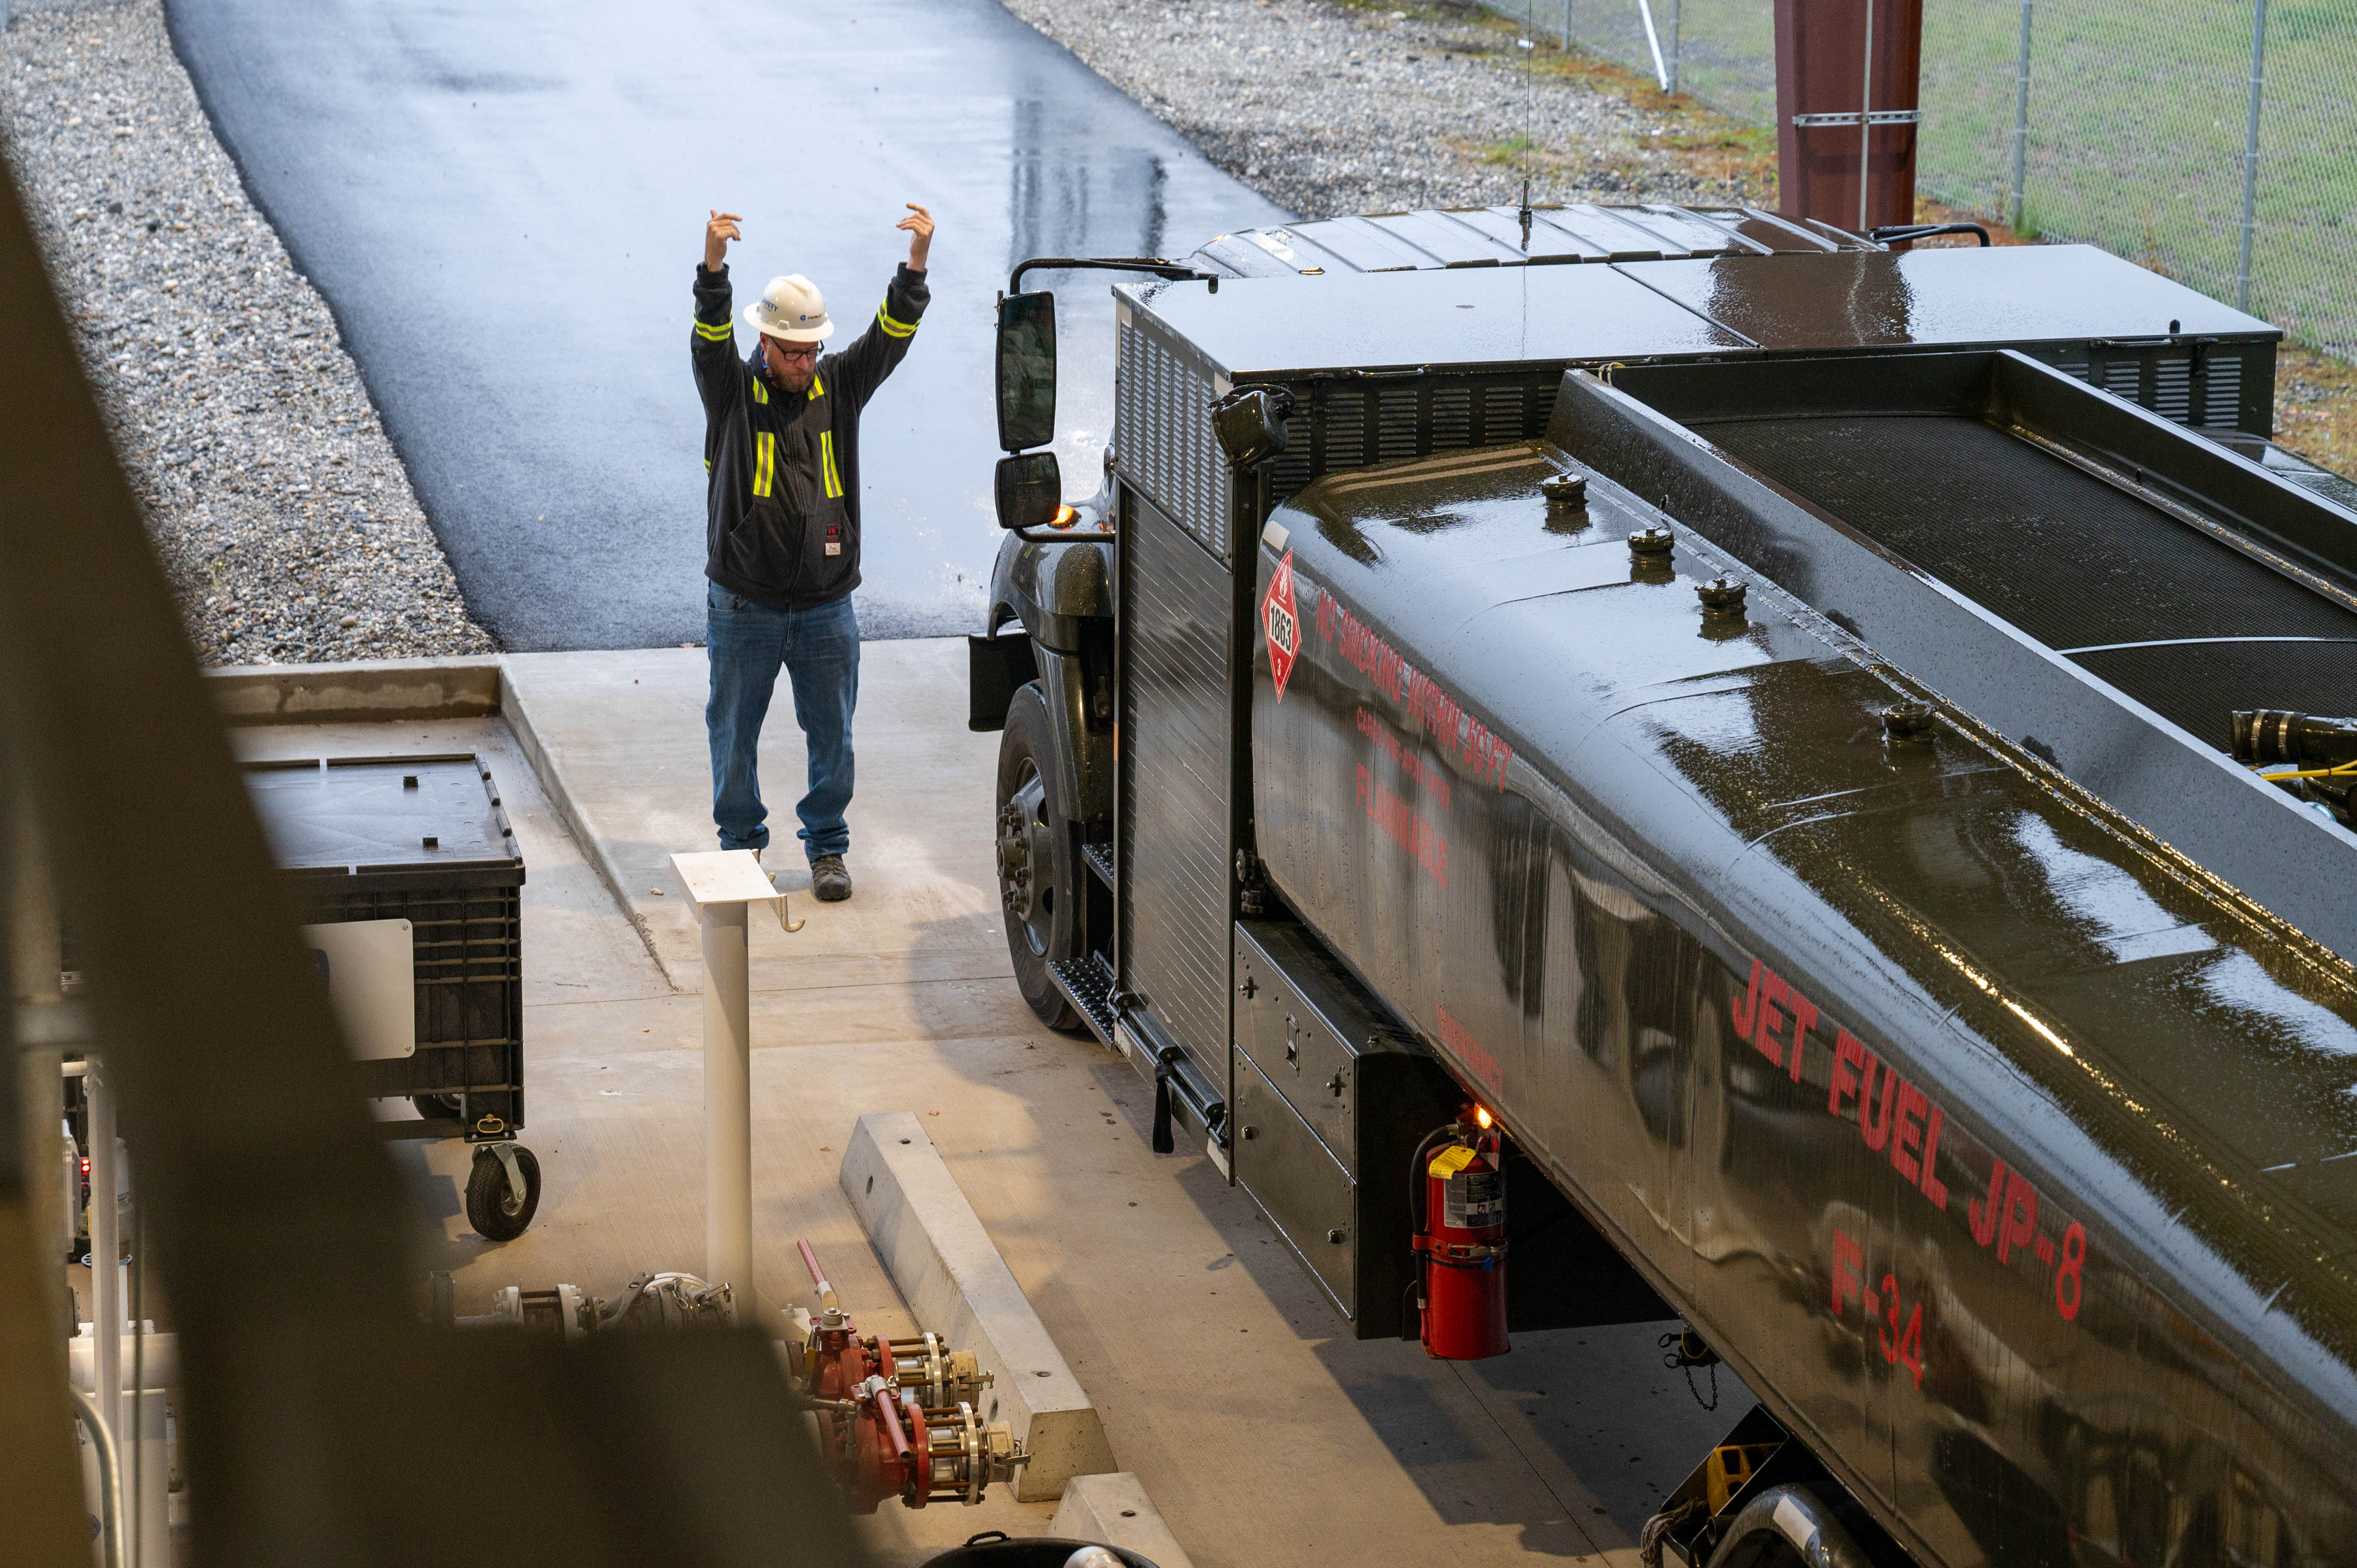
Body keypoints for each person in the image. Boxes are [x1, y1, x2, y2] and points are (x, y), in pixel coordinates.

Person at [692, 203, 933, 901]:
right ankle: (740, 851)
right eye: (793, 351)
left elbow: (892, 337)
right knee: (734, 734)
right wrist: (713, 269)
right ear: (765, 340)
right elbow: (708, 341)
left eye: (812, 351)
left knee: (835, 739)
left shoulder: (838, 386)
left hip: (828, 606)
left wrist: (915, 265)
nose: (805, 363)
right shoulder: (731, 394)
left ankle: (827, 848)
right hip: (744, 603)